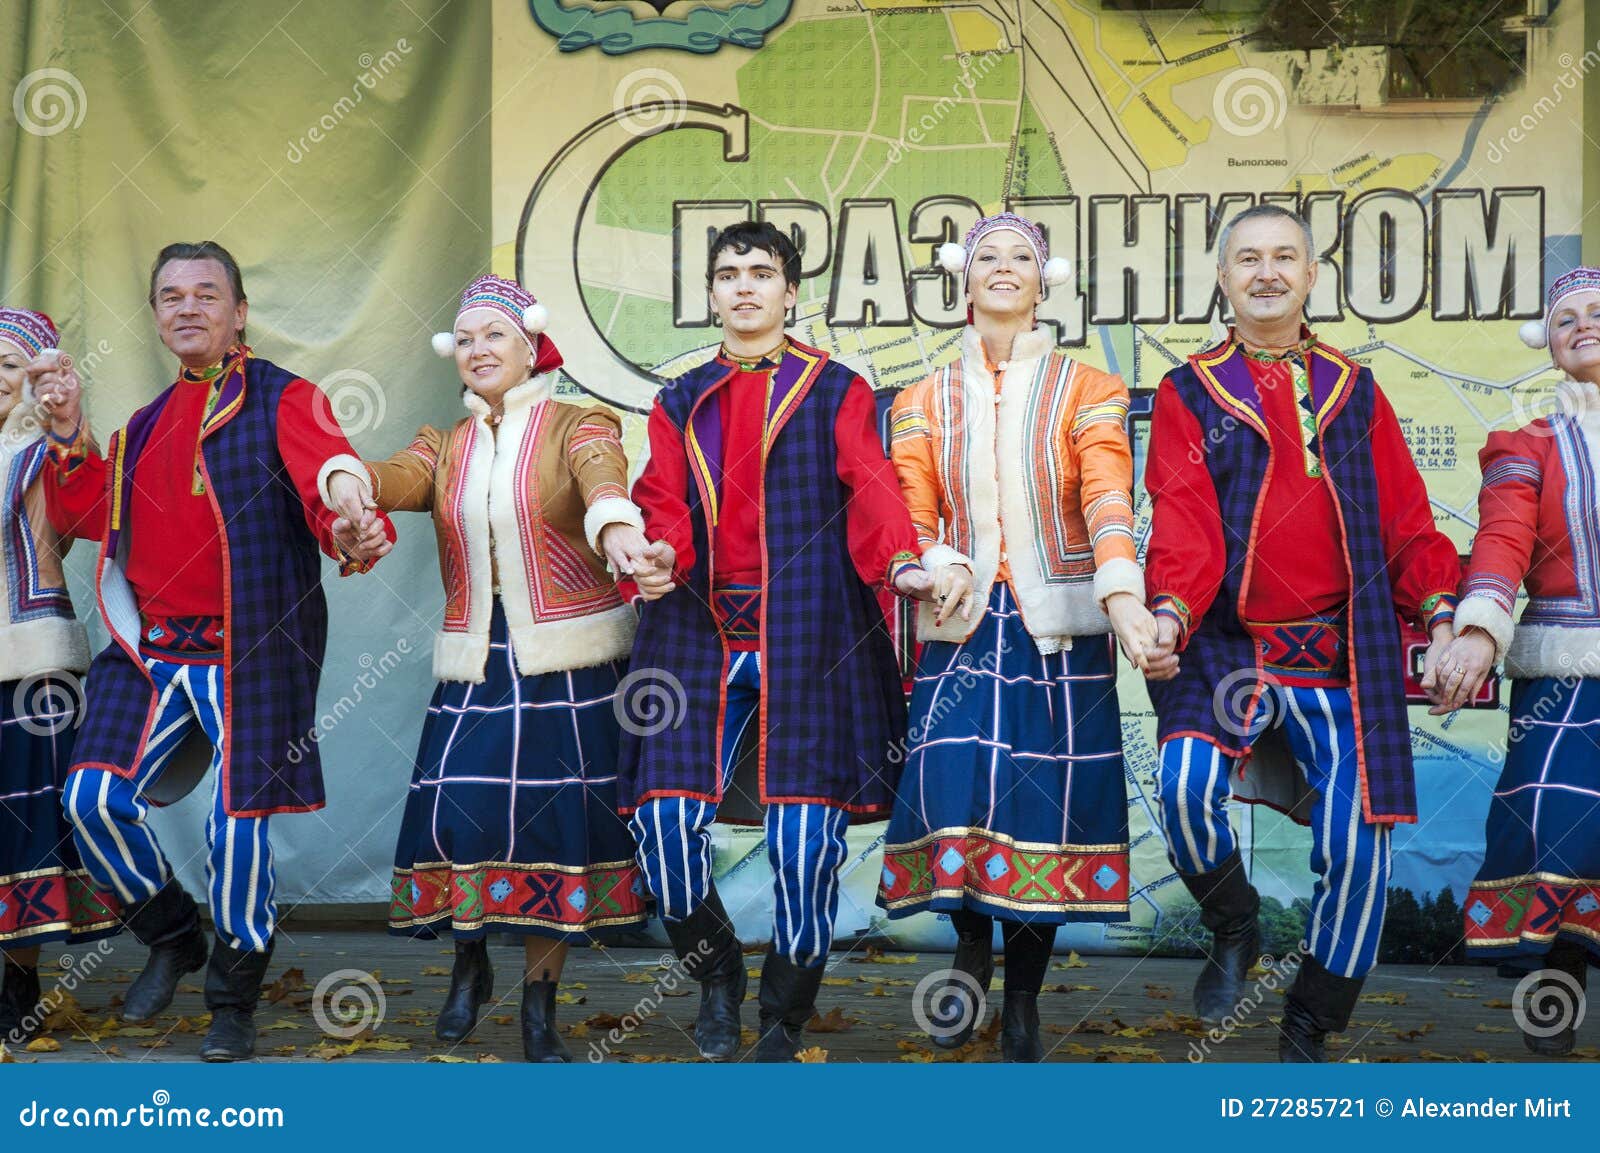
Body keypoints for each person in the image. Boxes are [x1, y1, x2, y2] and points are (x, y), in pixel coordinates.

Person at [35, 241, 394, 1061]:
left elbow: (329, 474)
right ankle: (171, 936)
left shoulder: (284, 398)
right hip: (153, 652)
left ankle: (232, 994)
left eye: (206, 293)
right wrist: (66, 431)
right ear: (157, 316)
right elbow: (89, 512)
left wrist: (349, 514)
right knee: (92, 799)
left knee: (238, 831)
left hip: (250, 653)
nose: (187, 307)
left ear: (239, 313)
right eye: (170, 295)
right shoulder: (144, 424)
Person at [1141, 204, 1462, 1062]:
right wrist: (1170, 607)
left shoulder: (1355, 390)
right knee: (1180, 783)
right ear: (1222, 277)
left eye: (1286, 256)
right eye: (1248, 258)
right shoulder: (1189, 391)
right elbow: (1183, 520)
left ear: (1312, 276)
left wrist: (1439, 606)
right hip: (1226, 643)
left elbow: (1405, 518)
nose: (1268, 271)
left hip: (1340, 646)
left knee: (1361, 846)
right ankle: (1234, 918)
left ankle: (1311, 1020)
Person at [624, 220, 933, 1062]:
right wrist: (654, 552)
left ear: (791, 291)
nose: (745, 286)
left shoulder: (838, 389)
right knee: (662, 833)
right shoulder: (677, 399)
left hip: (812, 630)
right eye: (729, 273)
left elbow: (871, 487)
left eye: (762, 272)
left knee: (805, 848)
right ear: (713, 293)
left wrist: (900, 563)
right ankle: (717, 972)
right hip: (696, 633)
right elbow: (660, 501)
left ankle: (780, 1019)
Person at [873, 213, 1153, 1061]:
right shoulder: (920, 398)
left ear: (1045, 279)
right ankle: (968, 945)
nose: (1003, 269)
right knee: (953, 792)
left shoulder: (1090, 389)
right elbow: (912, 503)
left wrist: (1122, 593)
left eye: (1020, 258)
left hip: (1057, 630)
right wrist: (926, 559)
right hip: (961, 627)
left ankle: (1024, 999)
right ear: (964, 279)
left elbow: (1107, 500)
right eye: (987, 257)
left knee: (1043, 808)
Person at [363, 275, 650, 1062]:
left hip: (567, 664)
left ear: (530, 345)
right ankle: (470, 959)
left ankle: (538, 1005)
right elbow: (397, 477)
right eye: (466, 338)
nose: (479, 349)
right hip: (477, 659)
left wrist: (616, 526)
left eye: (495, 335)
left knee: (556, 835)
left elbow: (601, 479)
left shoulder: (575, 422)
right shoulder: (446, 442)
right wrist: (347, 481)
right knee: (461, 810)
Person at [1434, 267, 1600, 1055]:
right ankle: (1558, 993)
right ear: (1550, 344)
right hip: (1566, 668)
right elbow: (1503, 541)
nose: (1583, 325)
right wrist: (1477, 629)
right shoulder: (1525, 443)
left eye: (1597, 312)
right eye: (1565, 319)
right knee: (1560, 831)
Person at [0, 309, 119, 1045]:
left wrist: (63, 421)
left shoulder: (42, 453)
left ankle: (18, 978)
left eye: (9, 366)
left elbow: (95, 505)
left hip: (28, 663)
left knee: (21, 829)